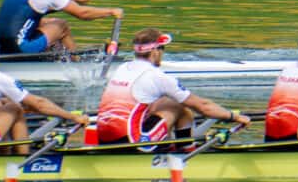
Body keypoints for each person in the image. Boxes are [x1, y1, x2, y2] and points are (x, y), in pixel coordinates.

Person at [95, 28, 249, 146]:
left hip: (102, 137)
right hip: (132, 141)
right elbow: (203, 107)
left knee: (166, 102)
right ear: (155, 51)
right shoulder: (157, 76)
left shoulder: (123, 68)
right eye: (162, 49)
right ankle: (185, 149)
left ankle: (171, 144)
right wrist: (234, 117)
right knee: (178, 106)